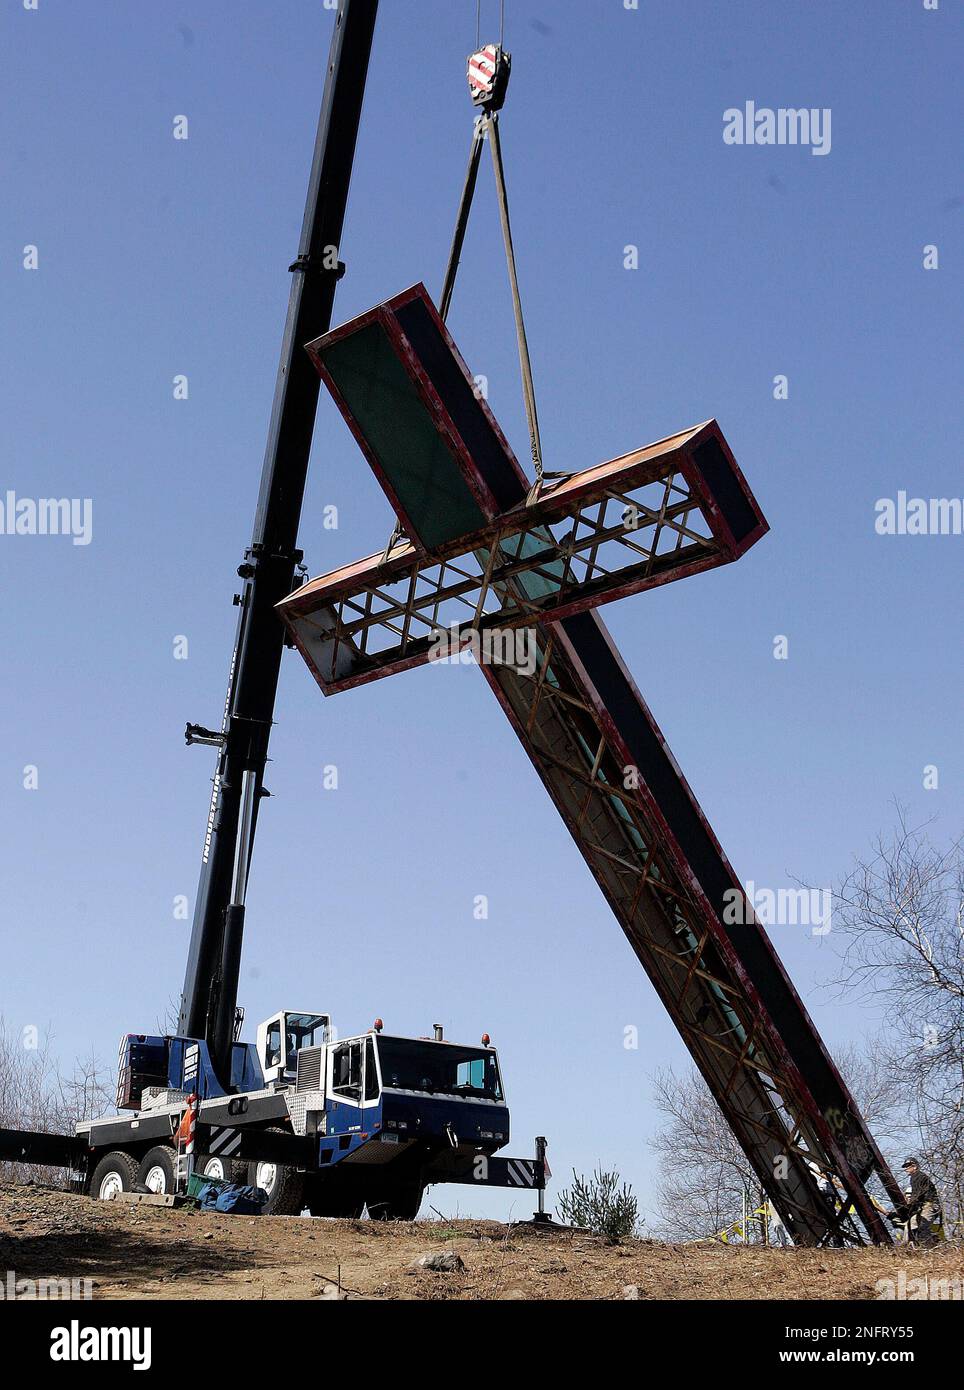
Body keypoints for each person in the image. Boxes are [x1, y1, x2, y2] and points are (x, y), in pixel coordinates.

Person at [886, 1158, 942, 1247]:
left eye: (908, 1166)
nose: (906, 1169)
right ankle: (905, 1246)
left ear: (914, 1166)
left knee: (921, 1226)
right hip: (925, 1206)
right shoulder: (915, 1177)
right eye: (905, 1167)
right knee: (911, 1225)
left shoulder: (918, 1176)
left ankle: (932, 1246)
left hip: (930, 1205)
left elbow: (917, 1195)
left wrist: (909, 1207)